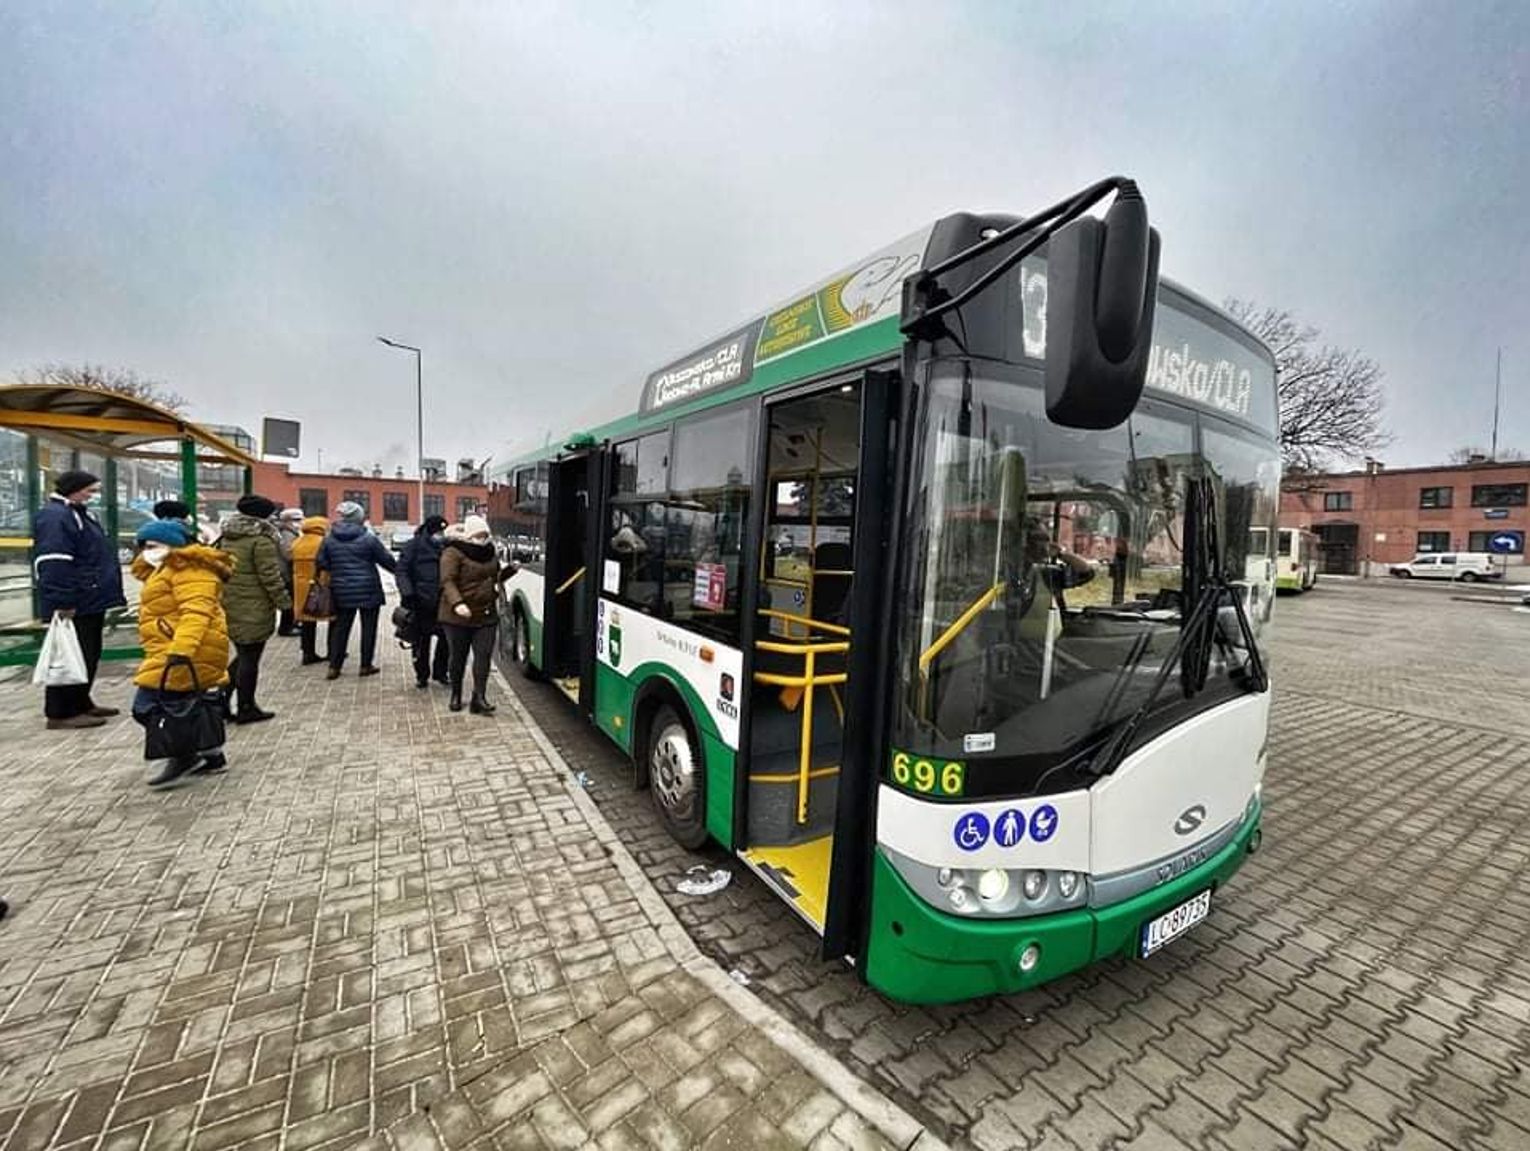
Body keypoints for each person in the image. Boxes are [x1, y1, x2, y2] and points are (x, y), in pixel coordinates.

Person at [130, 520, 232, 787]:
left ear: (174, 546)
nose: (146, 551)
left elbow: (196, 613)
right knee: (190, 705)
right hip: (176, 646)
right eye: (143, 546)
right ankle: (212, 756)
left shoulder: (191, 571)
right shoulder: (165, 569)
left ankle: (184, 755)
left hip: (185, 649)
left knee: (147, 707)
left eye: (153, 545)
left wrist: (181, 649)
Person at [32, 469, 127, 729]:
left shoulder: (77, 513)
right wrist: (62, 600)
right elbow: (54, 560)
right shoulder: (57, 517)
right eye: (89, 489)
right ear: (74, 488)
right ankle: (60, 711)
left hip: (89, 597)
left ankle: (81, 701)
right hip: (75, 599)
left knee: (87, 652)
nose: (92, 495)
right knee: (70, 653)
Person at [216, 494, 289, 722]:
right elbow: (270, 576)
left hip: (232, 602)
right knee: (249, 659)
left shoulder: (227, 536)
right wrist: (285, 603)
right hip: (254, 605)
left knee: (243, 654)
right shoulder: (260, 540)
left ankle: (221, 701)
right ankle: (246, 706)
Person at [439, 515, 512, 714]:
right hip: (457, 617)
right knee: (458, 657)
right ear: (469, 535)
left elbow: (493, 577)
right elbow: (447, 581)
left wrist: (510, 571)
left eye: (485, 535)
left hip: (485, 614)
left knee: (483, 657)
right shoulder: (453, 552)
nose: (483, 538)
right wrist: (458, 603)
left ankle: (478, 697)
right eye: (479, 535)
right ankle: (456, 693)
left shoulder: (490, 552)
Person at [317, 501, 396, 679]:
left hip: (341, 590)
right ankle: (365, 665)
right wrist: (403, 573)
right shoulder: (368, 538)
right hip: (368, 589)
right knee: (369, 629)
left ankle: (334, 667)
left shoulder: (329, 539)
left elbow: (321, 562)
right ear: (360, 518)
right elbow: (386, 561)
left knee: (340, 628)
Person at [396, 514, 451, 689]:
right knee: (421, 642)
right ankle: (422, 675)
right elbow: (402, 571)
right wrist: (407, 593)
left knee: (446, 640)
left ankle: (441, 672)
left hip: (443, 602)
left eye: (443, 531)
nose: (441, 534)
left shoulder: (447, 546)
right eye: (439, 531)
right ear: (430, 530)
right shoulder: (413, 546)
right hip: (419, 603)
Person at [290, 515, 330, 666]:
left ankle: (308, 653)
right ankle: (333, 651)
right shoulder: (323, 542)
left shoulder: (297, 542)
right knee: (332, 617)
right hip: (320, 583)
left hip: (300, 586)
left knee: (307, 621)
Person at [274, 508, 304, 636]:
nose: (300, 522)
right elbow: (288, 553)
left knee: (291, 600)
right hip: (286, 572)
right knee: (289, 601)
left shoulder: (287, 532)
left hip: (286, 571)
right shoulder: (287, 534)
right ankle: (286, 627)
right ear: (286, 521)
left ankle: (291, 624)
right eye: (296, 520)